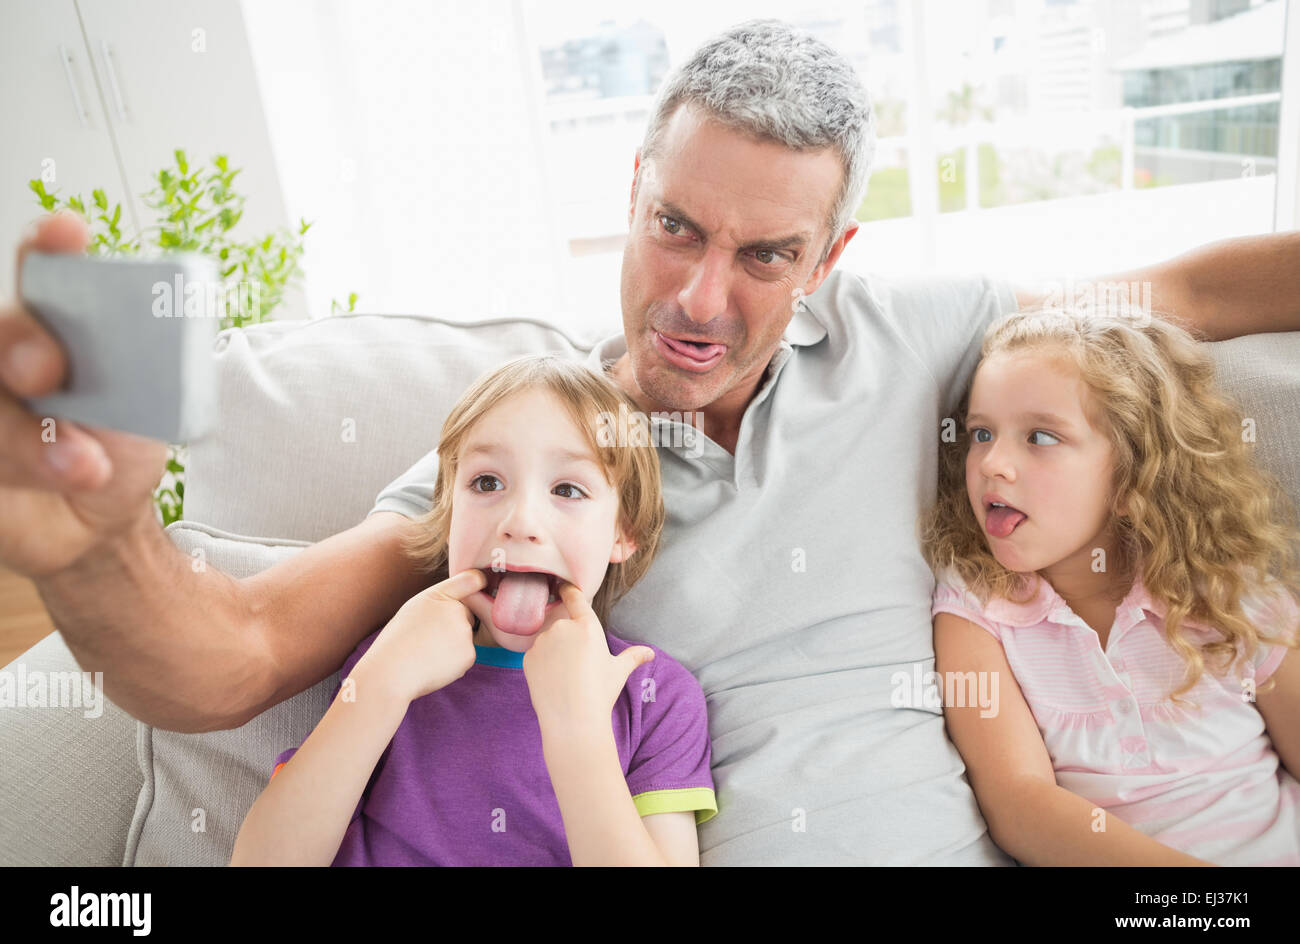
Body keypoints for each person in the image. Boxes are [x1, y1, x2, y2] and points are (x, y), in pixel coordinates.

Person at [3, 19, 1300, 866]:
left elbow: (1184, 301)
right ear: (630, 191)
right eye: (676, 225)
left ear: (831, 257)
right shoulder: (536, 460)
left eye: (764, 255)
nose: (697, 298)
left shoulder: (933, 348)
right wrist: (99, 549)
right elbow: (233, 658)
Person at [231, 356, 716, 866]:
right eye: (487, 483)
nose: (520, 521)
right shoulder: (395, 656)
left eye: (568, 490)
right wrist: (381, 684)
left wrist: (578, 730)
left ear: (623, 532)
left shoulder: (653, 694)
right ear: (448, 516)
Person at [920, 309, 1300, 866]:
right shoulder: (977, 609)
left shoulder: (1226, 594)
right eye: (982, 434)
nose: (992, 463)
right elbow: (1021, 805)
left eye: (1040, 436)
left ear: (1132, 474)